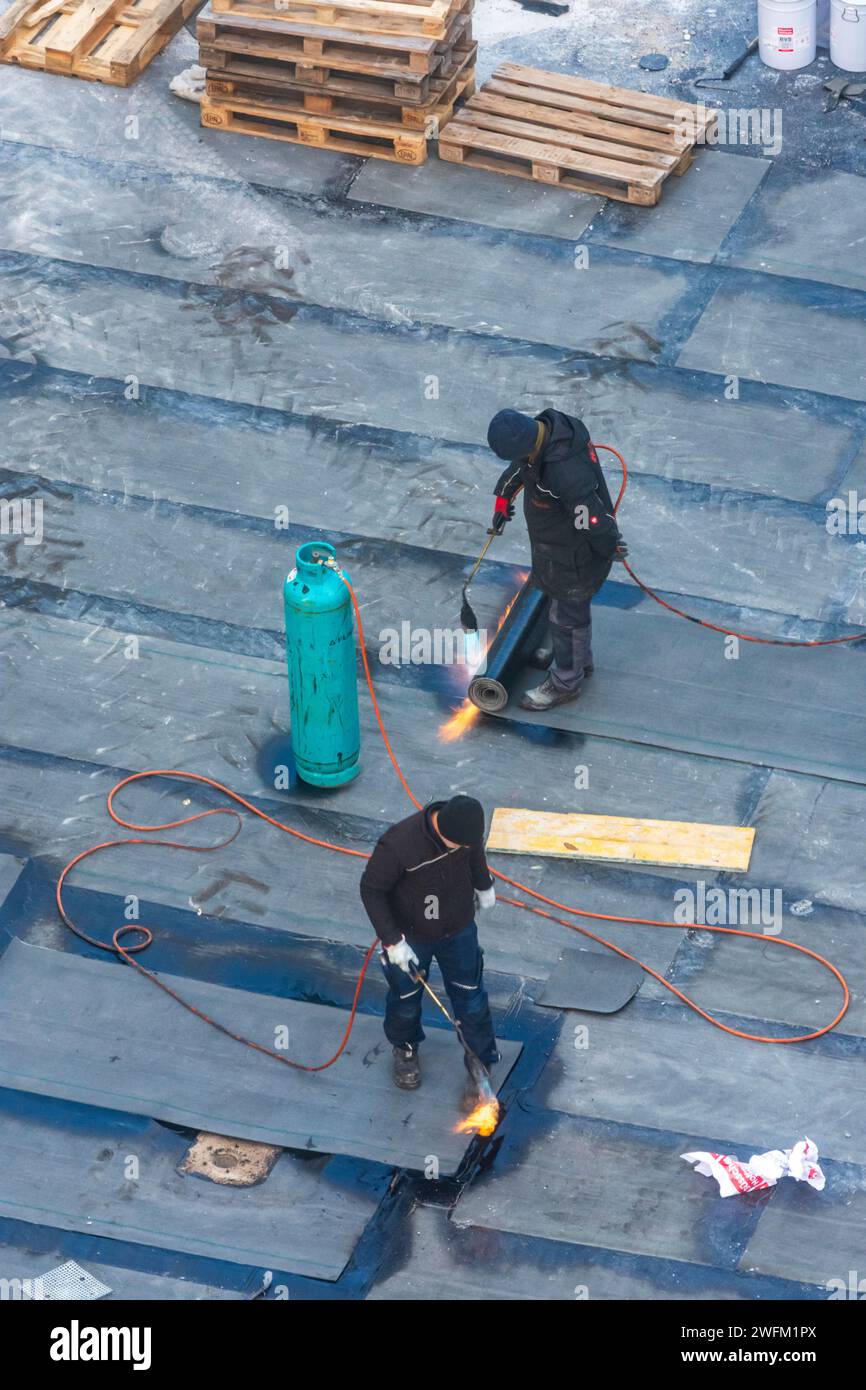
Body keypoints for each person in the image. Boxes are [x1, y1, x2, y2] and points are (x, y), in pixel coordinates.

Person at [359, 794, 499, 1108]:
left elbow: (474, 851)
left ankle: (480, 1064)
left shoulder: (465, 832)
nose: (465, 849)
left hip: (459, 928)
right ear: (443, 833)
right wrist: (393, 940)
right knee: (405, 999)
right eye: (459, 845)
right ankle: (405, 1049)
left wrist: (482, 883)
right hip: (412, 937)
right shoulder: (399, 845)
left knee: (471, 998)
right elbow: (371, 889)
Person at [487, 407, 628, 710]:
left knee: (566, 620)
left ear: (528, 446)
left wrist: (608, 545)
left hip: (574, 556)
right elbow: (519, 468)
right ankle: (579, 661)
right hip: (554, 550)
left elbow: (590, 517)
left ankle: (566, 682)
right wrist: (502, 500)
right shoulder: (543, 431)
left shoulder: (565, 472)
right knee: (564, 613)